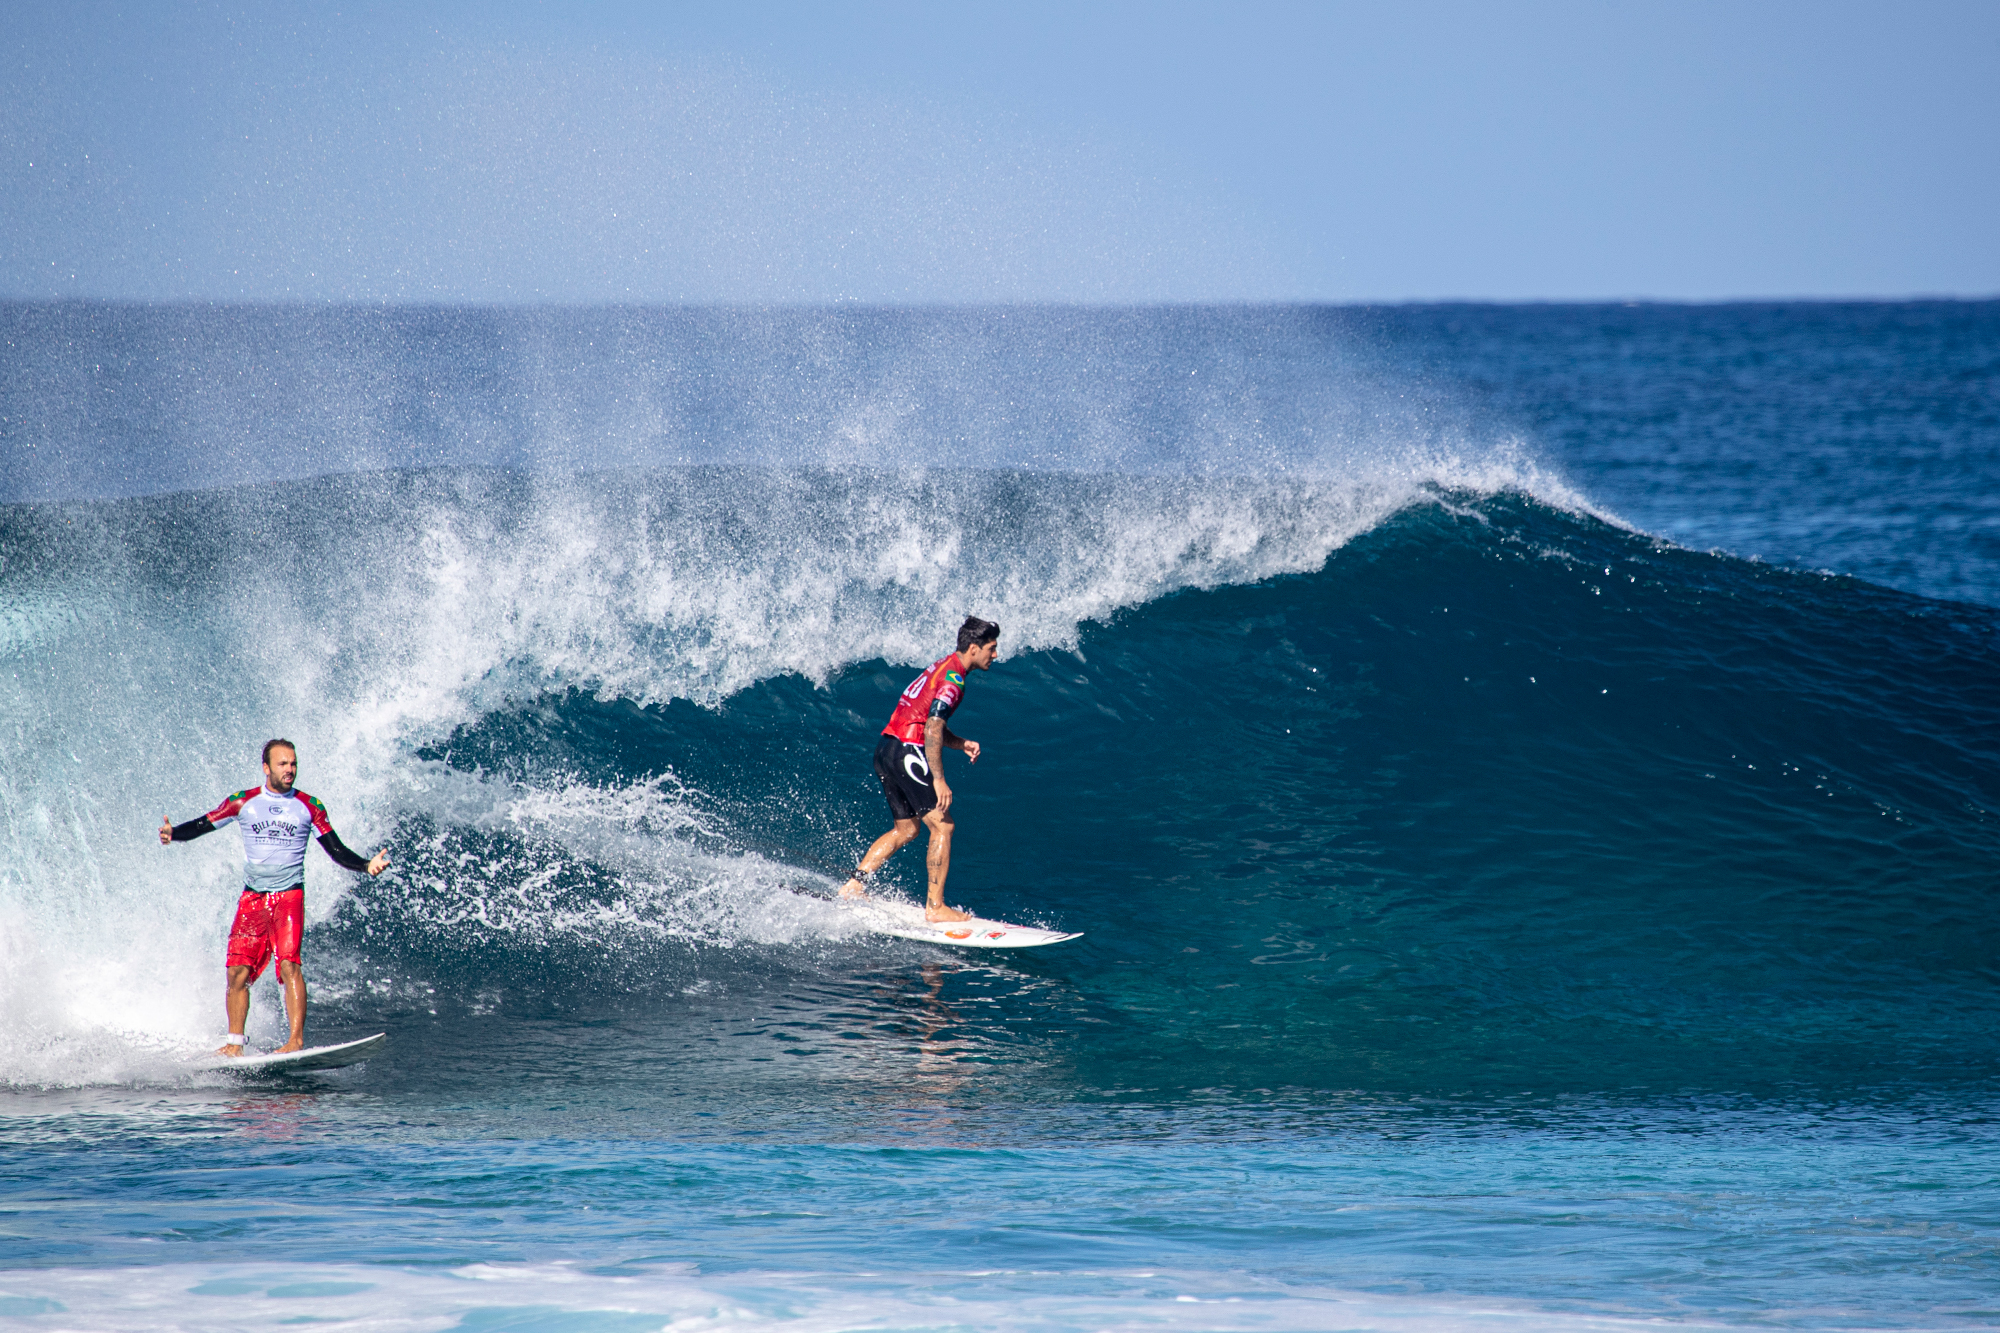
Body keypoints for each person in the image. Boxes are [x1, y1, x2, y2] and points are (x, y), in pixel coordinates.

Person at [159, 739, 389, 1056]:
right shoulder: (242, 802)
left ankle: (295, 1041)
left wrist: (365, 865)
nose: (289, 769)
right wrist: (175, 833)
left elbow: (335, 849)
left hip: (289, 896)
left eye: (293, 763)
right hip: (253, 898)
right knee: (236, 971)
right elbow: (204, 824)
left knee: (289, 965)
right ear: (266, 768)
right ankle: (234, 1044)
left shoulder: (310, 806)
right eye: (283, 764)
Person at [841, 617, 1001, 923]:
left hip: (886, 748)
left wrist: (961, 743)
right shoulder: (954, 680)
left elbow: (926, 720)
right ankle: (935, 908)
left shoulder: (941, 666)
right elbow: (931, 729)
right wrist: (939, 779)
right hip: (907, 752)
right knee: (943, 827)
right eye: (991, 648)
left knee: (907, 829)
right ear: (973, 648)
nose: (995, 655)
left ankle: (854, 885)